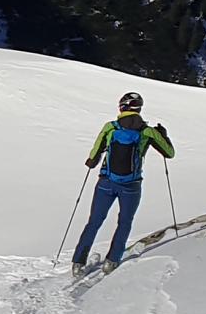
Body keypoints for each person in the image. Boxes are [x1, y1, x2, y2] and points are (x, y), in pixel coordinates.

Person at [73, 91, 175, 272]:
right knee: (125, 222)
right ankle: (112, 260)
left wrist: (93, 161)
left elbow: (93, 158)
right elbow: (169, 153)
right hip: (131, 185)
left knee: (94, 221)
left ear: (121, 107)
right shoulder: (148, 132)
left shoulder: (110, 128)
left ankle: (78, 262)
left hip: (106, 182)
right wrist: (163, 135)